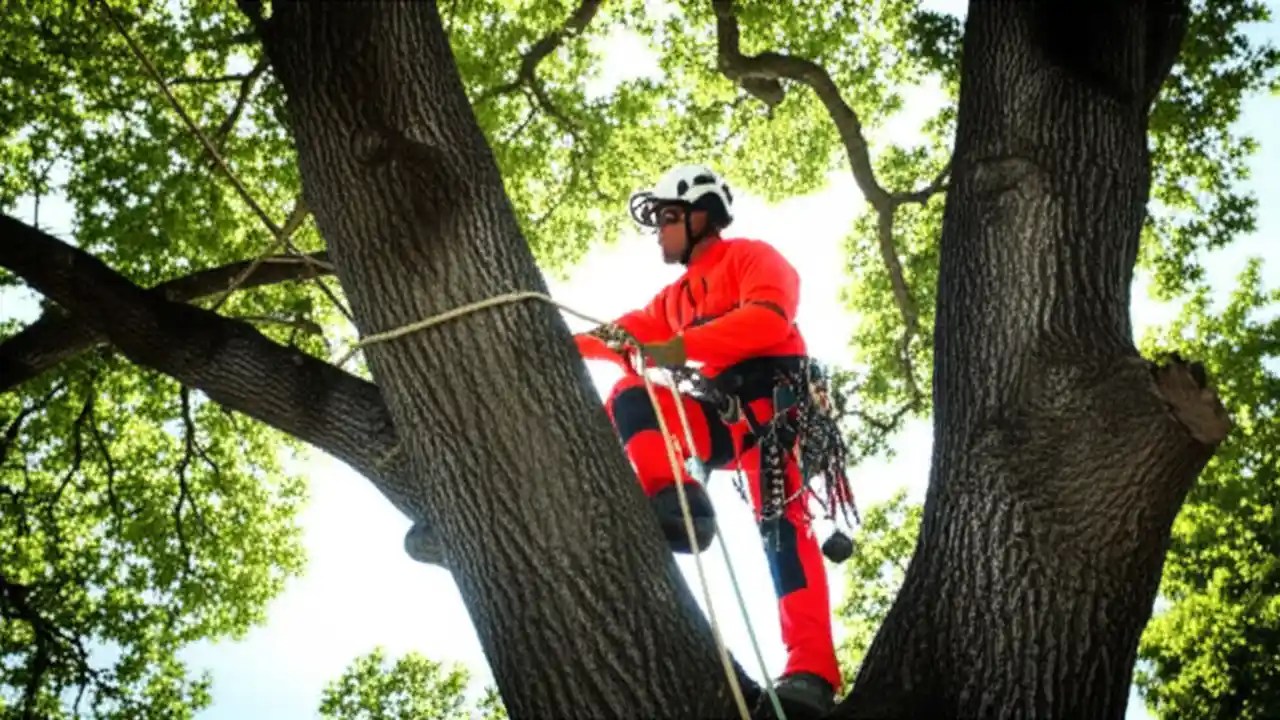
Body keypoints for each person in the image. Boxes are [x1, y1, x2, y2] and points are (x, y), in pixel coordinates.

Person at [573, 163, 842, 715]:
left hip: (776, 417)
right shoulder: (669, 301)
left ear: (702, 215)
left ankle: (811, 672)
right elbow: (614, 339)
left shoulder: (751, 257)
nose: (661, 232)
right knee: (629, 393)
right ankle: (675, 500)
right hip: (720, 417)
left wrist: (677, 347)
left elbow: (768, 320)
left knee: (783, 537)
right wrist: (551, 337)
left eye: (669, 218)